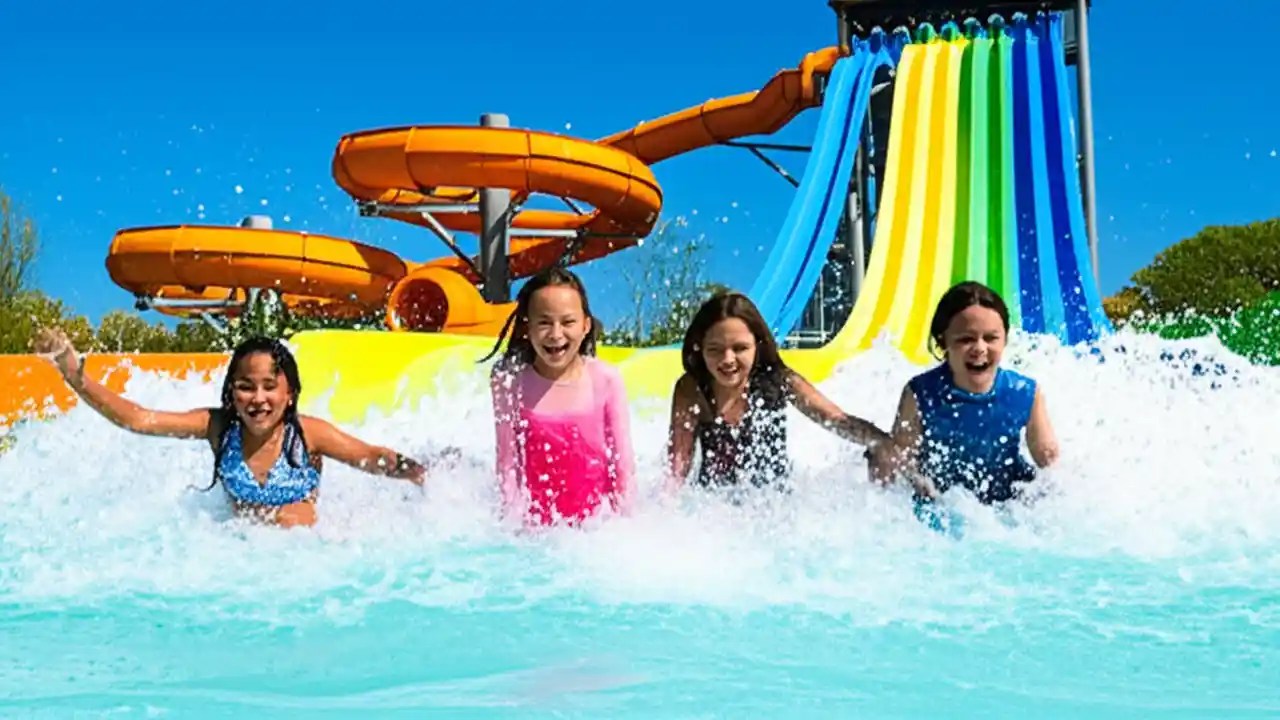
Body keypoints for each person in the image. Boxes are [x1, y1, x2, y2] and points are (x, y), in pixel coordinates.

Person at [33, 329, 428, 528]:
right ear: (231, 393)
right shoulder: (218, 428)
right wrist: (75, 378)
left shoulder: (308, 435)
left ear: (289, 393)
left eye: (270, 387)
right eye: (245, 386)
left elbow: (373, 458)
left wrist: (428, 476)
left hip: (305, 559)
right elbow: (139, 419)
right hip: (240, 554)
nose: (259, 398)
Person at [665, 290, 894, 494]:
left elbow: (834, 418)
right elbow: (678, 467)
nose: (727, 360)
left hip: (772, 505)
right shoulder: (692, 389)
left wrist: (881, 442)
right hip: (715, 508)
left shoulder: (778, 381)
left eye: (740, 348)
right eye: (714, 350)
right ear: (700, 348)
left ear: (758, 345)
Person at [871, 281, 1060, 507]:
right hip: (944, 505)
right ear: (943, 342)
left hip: (1011, 504)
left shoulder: (1024, 392)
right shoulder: (921, 394)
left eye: (991, 338)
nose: (979, 348)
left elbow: (1050, 466)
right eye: (966, 339)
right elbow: (901, 465)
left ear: (1005, 339)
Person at [483, 267, 635, 527]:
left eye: (568, 322)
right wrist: (512, 529)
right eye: (543, 322)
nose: (555, 334)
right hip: (537, 531)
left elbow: (623, 467)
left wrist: (626, 525)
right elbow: (507, 465)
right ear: (527, 326)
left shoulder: (605, 379)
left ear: (586, 326)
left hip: (597, 528)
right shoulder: (509, 383)